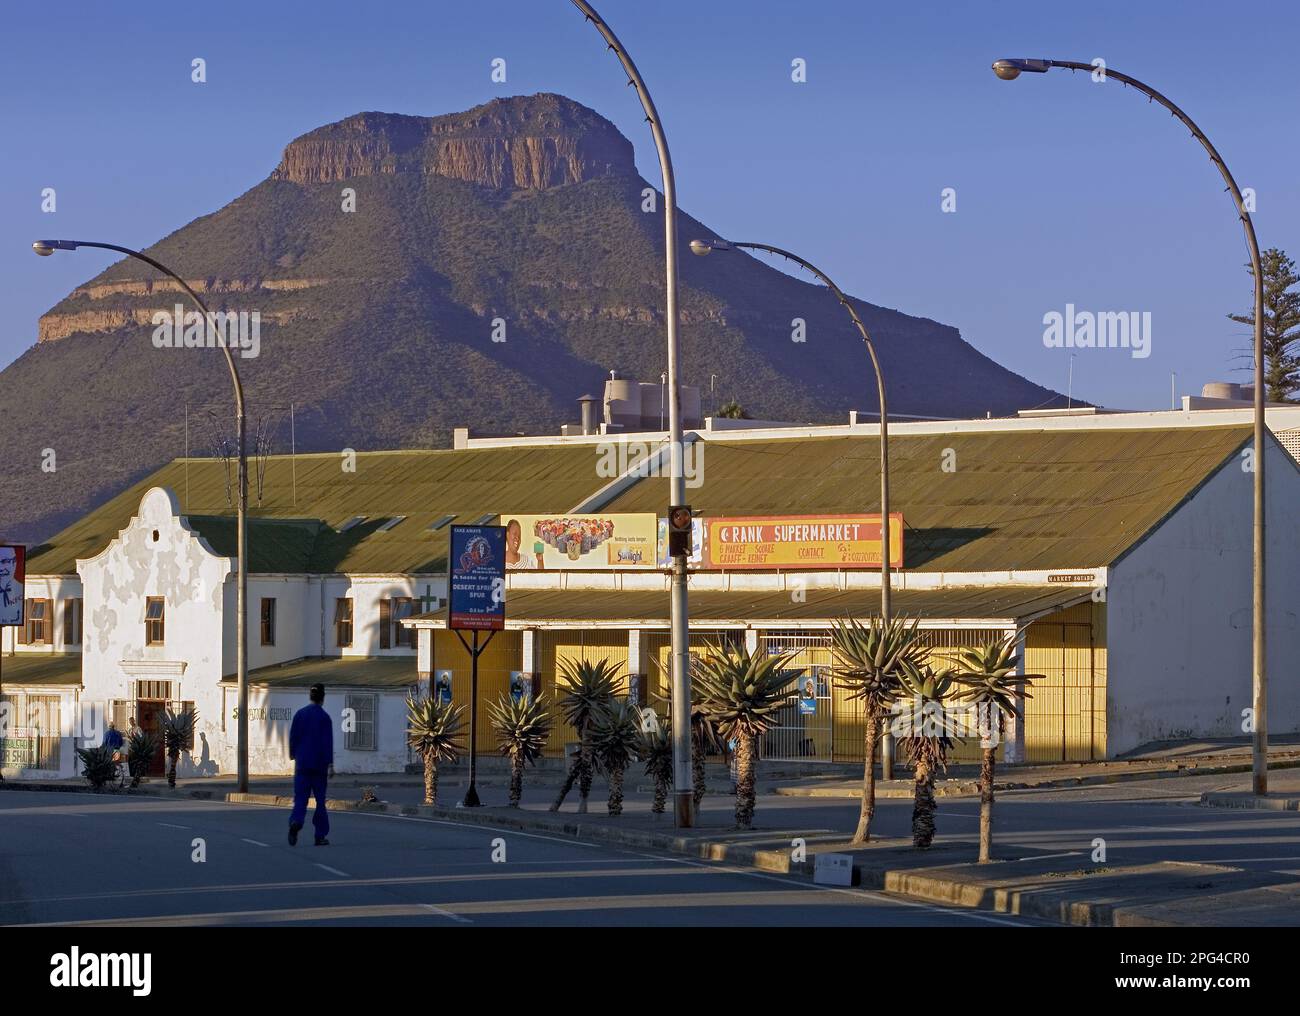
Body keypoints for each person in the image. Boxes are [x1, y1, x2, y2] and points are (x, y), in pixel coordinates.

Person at [288, 683, 334, 846]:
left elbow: (293, 737)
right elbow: (327, 742)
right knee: (320, 801)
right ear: (322, 698)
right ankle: (319, 835)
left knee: (300, 798)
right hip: (319, 765)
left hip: (302, 764)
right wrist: (330, 764)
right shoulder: (325, 718)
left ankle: (296, 821)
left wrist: (293, 754)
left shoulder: (300, 715)